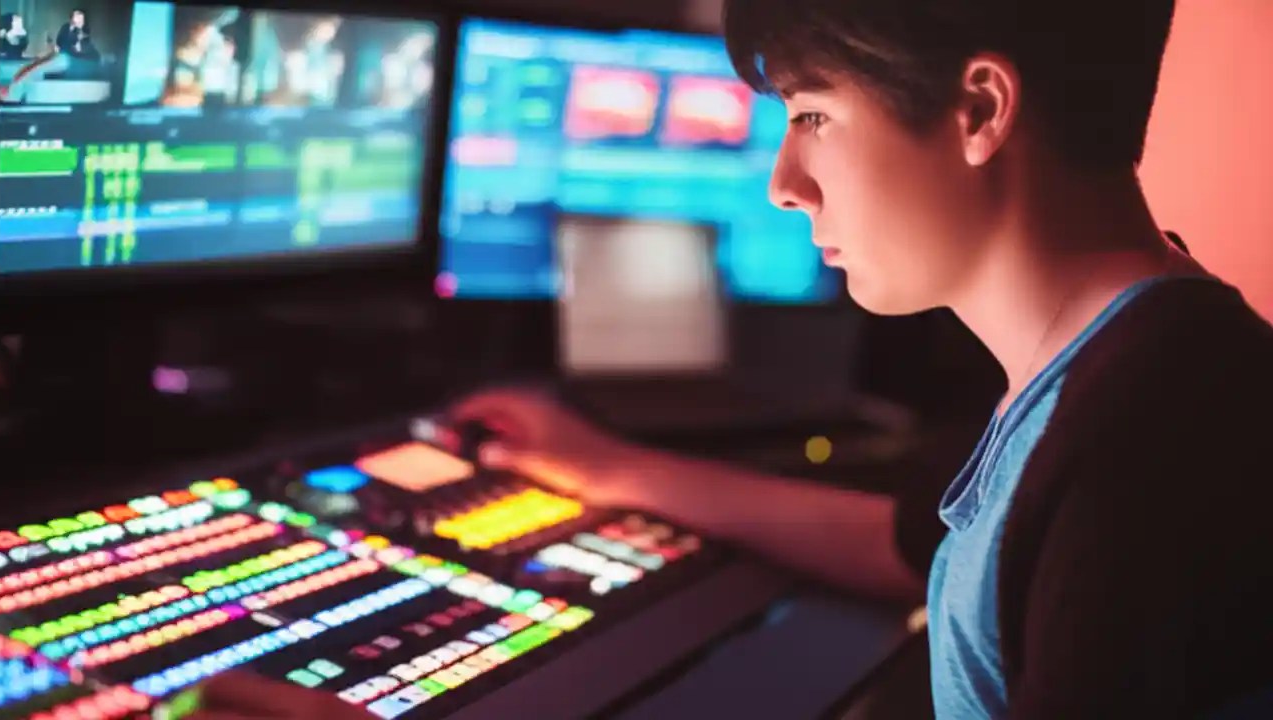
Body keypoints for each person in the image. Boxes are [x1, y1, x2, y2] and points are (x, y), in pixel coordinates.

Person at [191, 0, 1273, 717]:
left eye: (812, 114)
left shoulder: (1155, 442)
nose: (784, 183)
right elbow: (908, 547)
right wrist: (613, 470)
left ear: (978, 109)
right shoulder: (1122, 369)